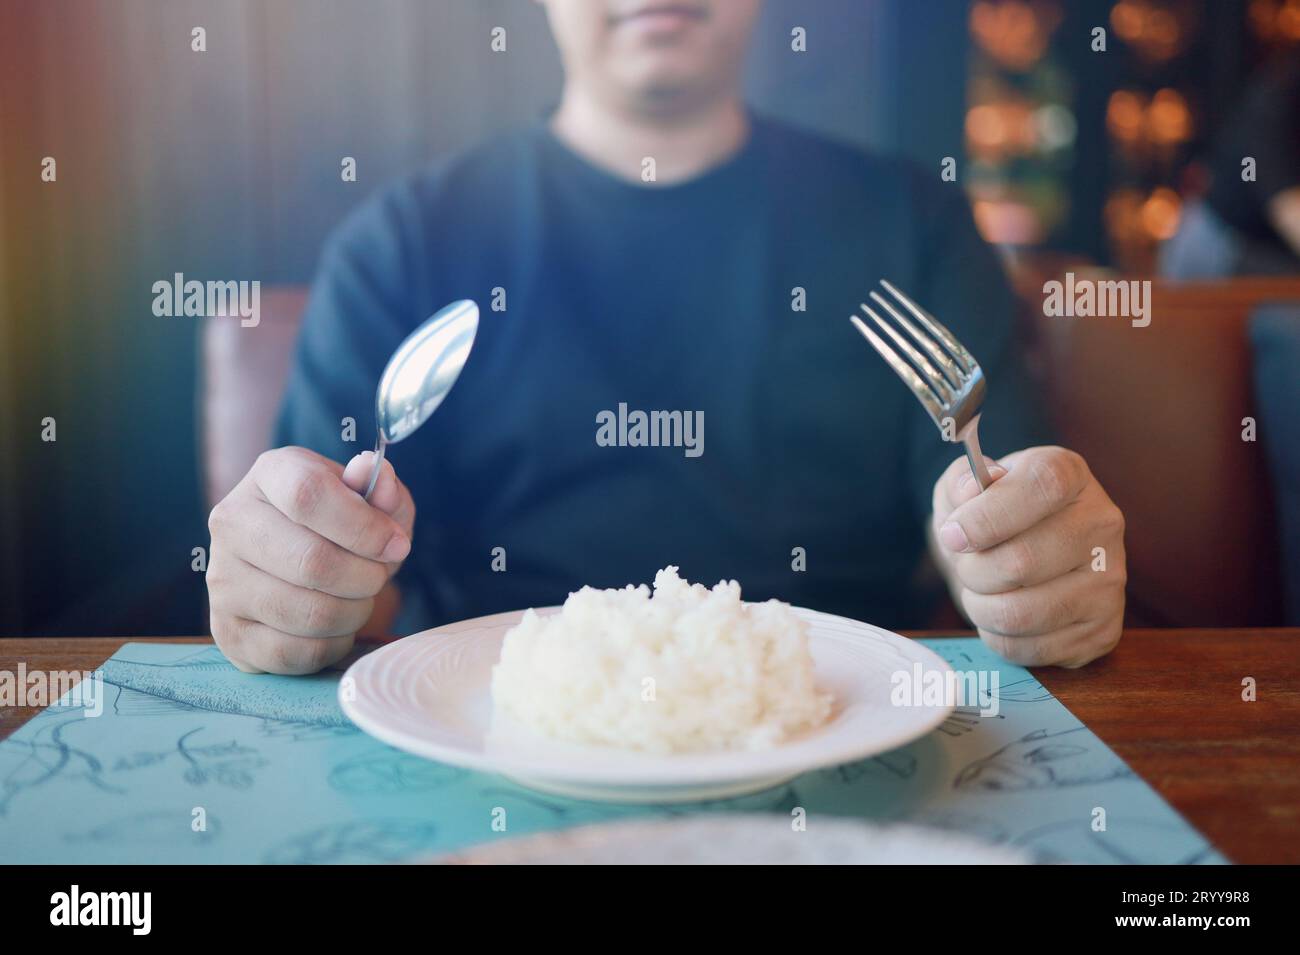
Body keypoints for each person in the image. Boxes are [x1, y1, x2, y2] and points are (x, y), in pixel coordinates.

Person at [205, 0, 1126, 675]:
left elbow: (989, 505)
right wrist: (298, 581)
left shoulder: (909, 221)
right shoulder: (403, 244)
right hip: (486, 736)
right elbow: (335, 559)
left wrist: (1034, 570)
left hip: (848, 722)